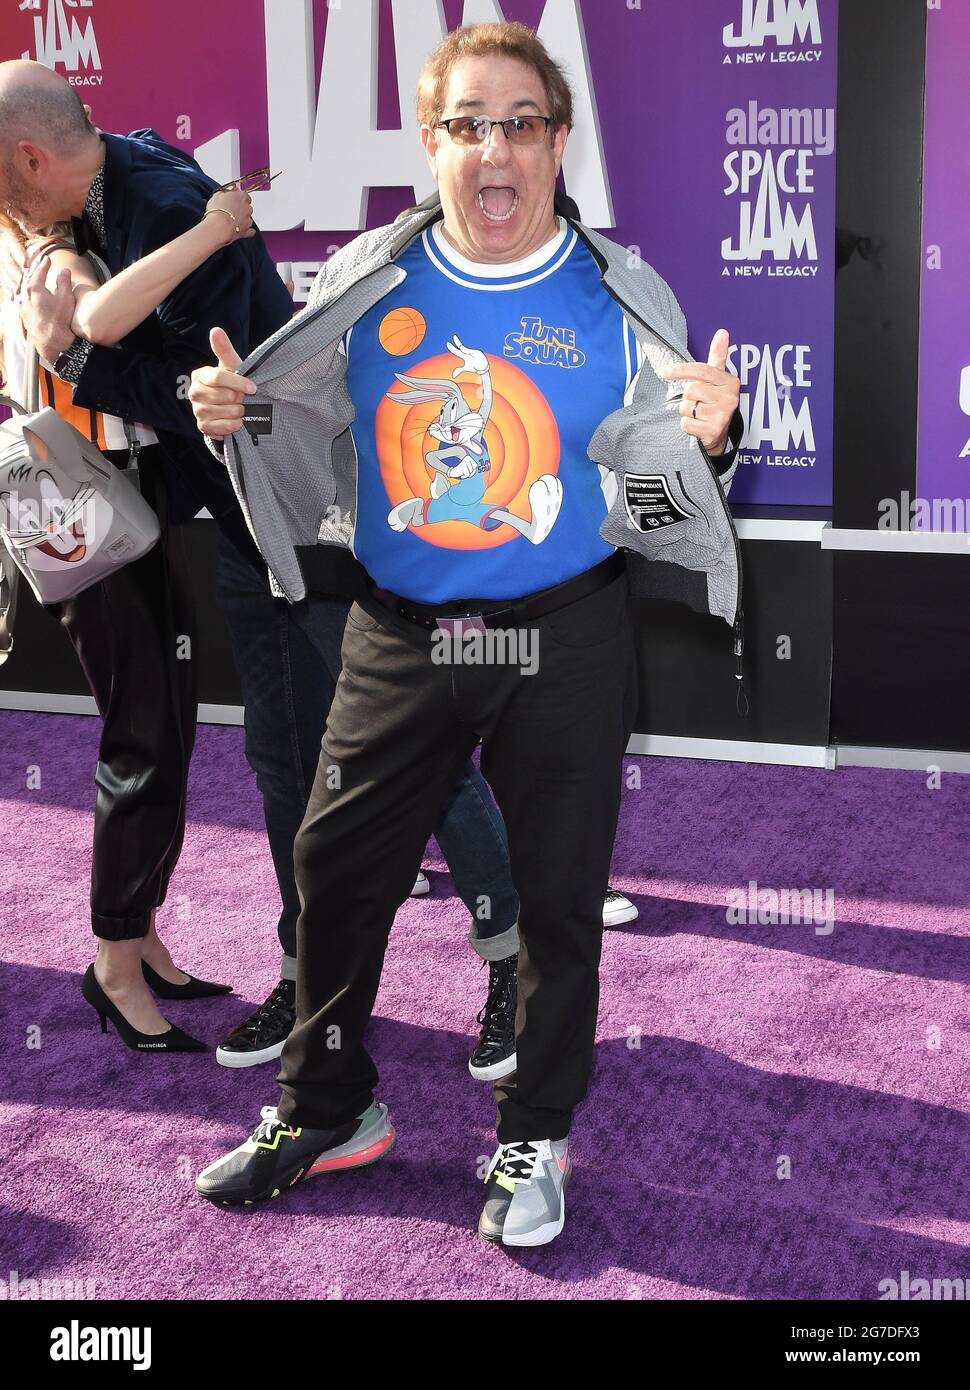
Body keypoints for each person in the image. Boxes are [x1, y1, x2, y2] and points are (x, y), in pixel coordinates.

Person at [188, 21, 744, 1246]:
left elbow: (668, 474)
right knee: (335, 873)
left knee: (554, 898)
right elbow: (284, 409)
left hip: (565, 635)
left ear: (556, 142)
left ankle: (533, 1134)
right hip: (401, 632)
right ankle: (328, 1106)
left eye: (521, 124)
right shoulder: (369, 278)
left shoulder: (617, 288)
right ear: (430, 144)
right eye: (467, 125)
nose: (495, 150)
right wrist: (232, 408)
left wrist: (714, 440)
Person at [1, 59, 636, 1081]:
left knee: (412, 758)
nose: (11, 216)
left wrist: (75, 359)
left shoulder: (161, 200)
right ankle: (306, 975)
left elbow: (223, 393)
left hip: (315, 519)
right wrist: (62, 293)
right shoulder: (122, 181)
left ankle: (508, 960)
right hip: (247, 527)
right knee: (284, 759)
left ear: (31, 160)